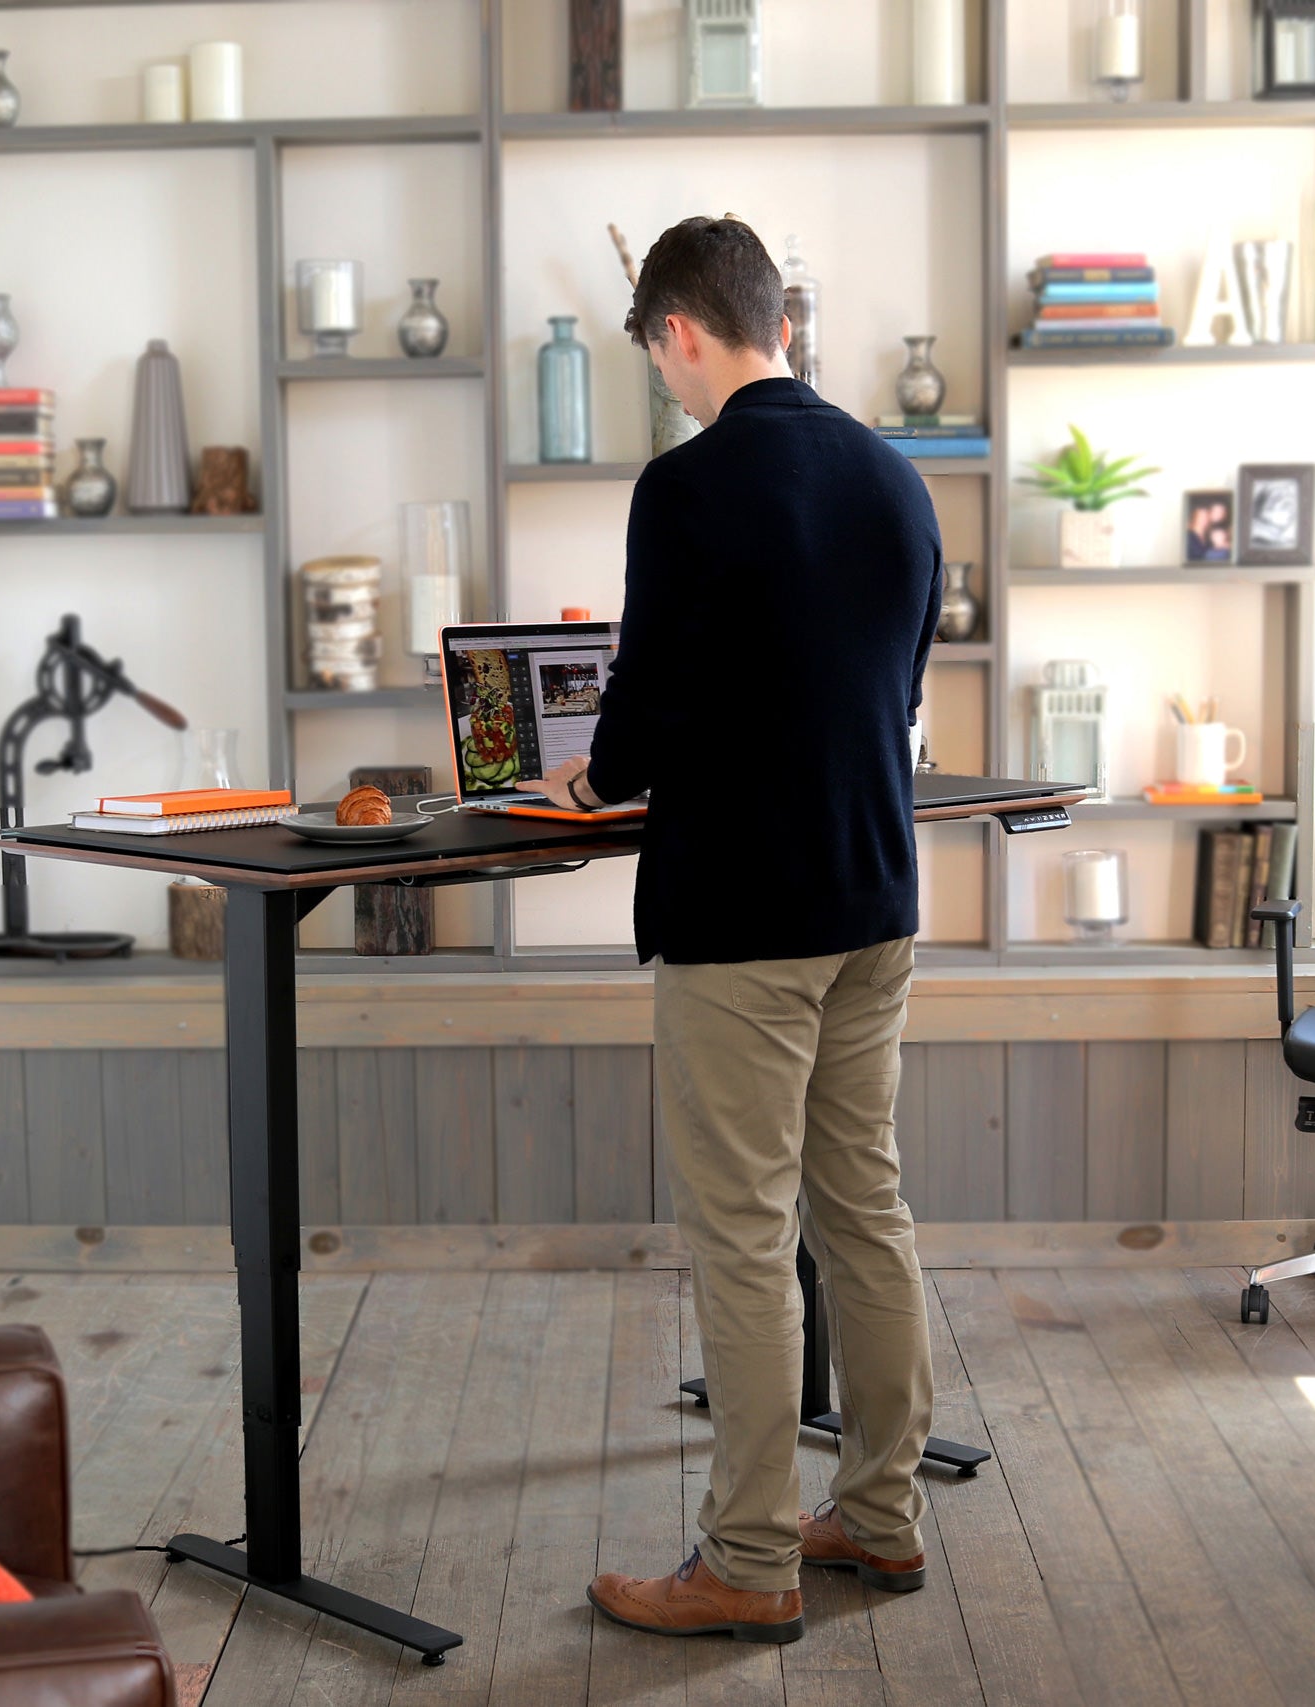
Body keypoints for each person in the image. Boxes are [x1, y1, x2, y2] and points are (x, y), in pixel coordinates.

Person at [519, 216, 943, 1646]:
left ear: (680, 332)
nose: (665, 380)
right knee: (865, 1213)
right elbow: (890, 701)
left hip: (743, 925)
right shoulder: (898, 478)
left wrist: (581, 778)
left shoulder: (688, 487)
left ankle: (750, 1559)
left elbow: (634, 736)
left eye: (657, 355)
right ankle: (879, 1521)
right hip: (876, 904)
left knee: (747, 1241)